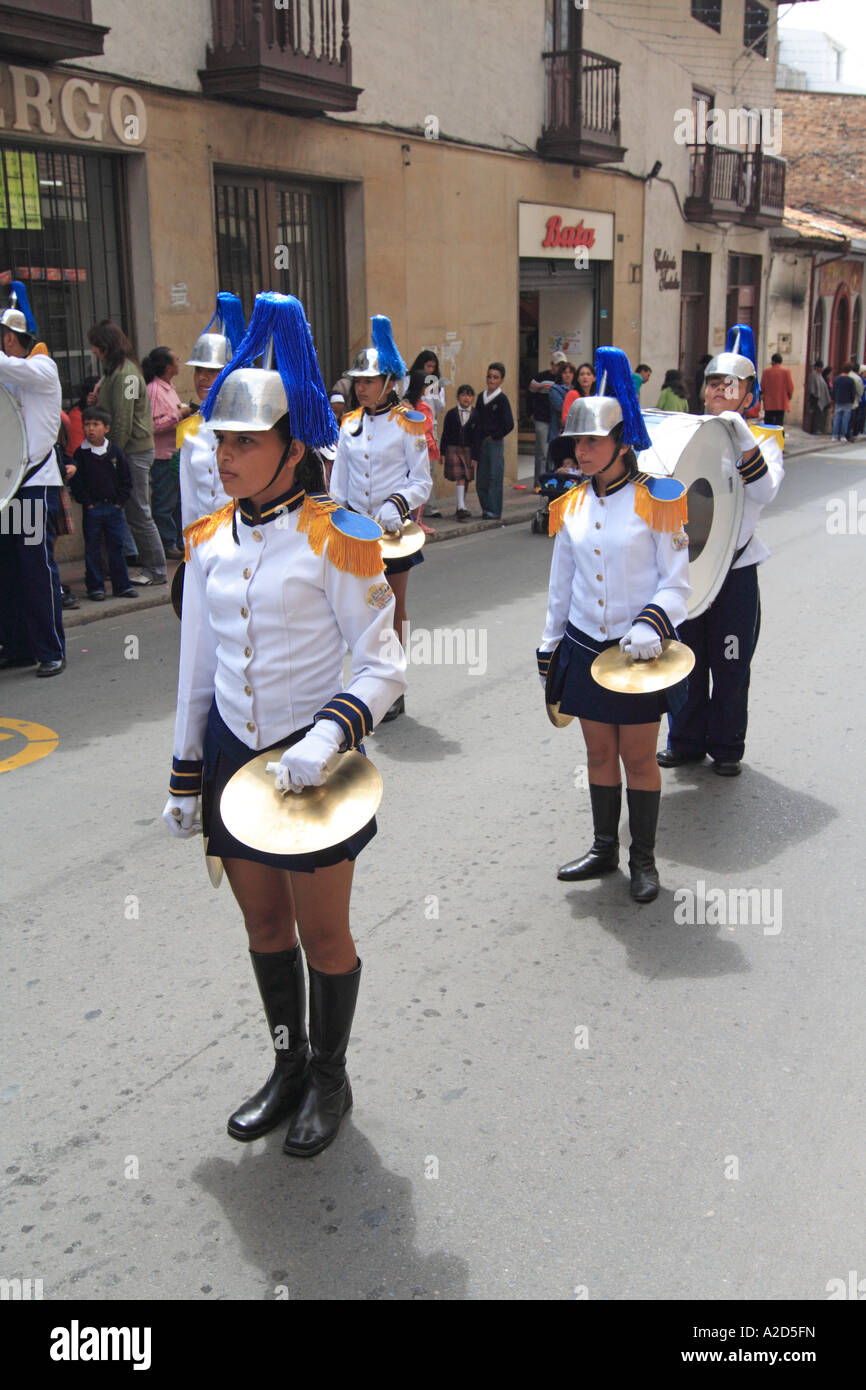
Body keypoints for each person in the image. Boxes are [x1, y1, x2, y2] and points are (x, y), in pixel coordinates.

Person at [163, 292, 407, 1159]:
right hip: (233, 754)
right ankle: (287, 1065)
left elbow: (384, 664)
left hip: (317, 757)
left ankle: (331, 1081)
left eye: (246, 441)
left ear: (292, 447)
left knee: (323, 932)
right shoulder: (206, 541)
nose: (225, 455)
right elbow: (196, 666)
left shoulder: (337, 537)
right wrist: (186, 772)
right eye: (220, 439)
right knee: (262, 928)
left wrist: (329, 734)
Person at [537, 347, 690, 903]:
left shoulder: (659, 500)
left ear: (622, 442)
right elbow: (561, 581)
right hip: (583, 645)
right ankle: (603, 849)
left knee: (639, 757)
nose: (581, 451)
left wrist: (652, 623)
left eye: (592, 441)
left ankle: (642, 859)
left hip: (639, 654)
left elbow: (678, 584)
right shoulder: (571, 504)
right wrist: (550, 645)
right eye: (576, 441)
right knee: (598, 754)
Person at [659, 324, 784, 776]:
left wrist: (741, 433)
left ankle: (727, 746)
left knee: (731, 663)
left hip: (735, 571)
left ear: (747, 394)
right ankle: (685, 740)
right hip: (690, 566)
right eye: (713, 383)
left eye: (730, 385)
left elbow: (765, 490)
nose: (719, 391)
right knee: (685, 660)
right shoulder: (688, 431)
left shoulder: (766, 439)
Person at [329, 314, 432, 722]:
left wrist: (398, 504)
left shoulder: (408, 423)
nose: (361, 387)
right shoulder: (349, 424)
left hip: (393, 532)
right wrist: (335, 518)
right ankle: (364, 681)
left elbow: (421, 481)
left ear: (389, 382)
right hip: (356, 532)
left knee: (391, 606)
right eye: (357, 381)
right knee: (356, 609)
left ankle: (394, 683)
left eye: (368, 381)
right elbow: (338, 483)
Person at [0, 281, 66, 676]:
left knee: (35, 567)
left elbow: (10, 368)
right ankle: (18, 645)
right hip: (9, 489)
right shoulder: (13, 373)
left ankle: (50, 648)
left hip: (34, 481)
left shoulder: (42, 368)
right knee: (8, 567)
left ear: (13, 337)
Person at [87, 320, 166, 587]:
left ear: (106, 346)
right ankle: (148, 566)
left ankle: (156, 568)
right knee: (133, 511)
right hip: (128, 450)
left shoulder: (127, 374)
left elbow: (123, 416)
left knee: (139, 511)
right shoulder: (118, 372)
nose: (94, 353)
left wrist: (112, 453)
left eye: (96, 347)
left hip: (132, 452)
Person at [177, 293, 246, 530]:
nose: (203, 378)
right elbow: (189, 498)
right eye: (198, 370)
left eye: (212, 371)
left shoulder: (248, 426)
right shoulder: (189, 431)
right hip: (204, 541)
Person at [69, 406, 136, 600]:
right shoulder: (80, 454)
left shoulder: (115, 452)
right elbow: (78, 483)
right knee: (92, 548)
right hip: (93, 509)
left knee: (116, 546)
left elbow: (126, 479)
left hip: (114, 508)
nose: (91, 429)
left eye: (96, 425)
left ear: (106, 428)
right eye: (87, 424)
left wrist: (119, 501)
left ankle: (122, 585)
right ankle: (95, 587)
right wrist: (87, 503)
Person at [144, 346, 193, 559]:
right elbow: (153, 425)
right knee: (164, 501)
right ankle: (166, 542)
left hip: (175, 452)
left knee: (176, 501)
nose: (179, 362)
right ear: (166, 367)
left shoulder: (169, 387)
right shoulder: (154, 390)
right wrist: (178, 415)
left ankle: (177, 540)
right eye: (175, 359)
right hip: (162, 455)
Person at [474, 362, 514, 519]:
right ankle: (485, 507)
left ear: (501, 380)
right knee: (482, 476)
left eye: (495, 377)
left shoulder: (502, 400)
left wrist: (495, 435)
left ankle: (494, 510)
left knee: (494, 475)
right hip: (481, 441)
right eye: (489, 376)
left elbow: (509, 424)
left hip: (494, 442)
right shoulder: (480, 397)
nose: (491, 380)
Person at [402, 368, 440, 534]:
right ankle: (417, 522)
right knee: (421, 485)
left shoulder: (408, 404)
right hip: (421, 448)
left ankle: (416, 520)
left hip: (423, 448)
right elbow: (424, 426)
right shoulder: (416, 406)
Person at [439, 384, 479, 521]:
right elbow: (445, 434)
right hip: (453, 448)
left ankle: (460, 505)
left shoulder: (476, 414)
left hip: (468, 449)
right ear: (458, 398)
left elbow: (477, 437)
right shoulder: (451, 414)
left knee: (466, 477)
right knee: (461, 477)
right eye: (463, 395)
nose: (466, 398)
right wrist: (442, 452)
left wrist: (475, 455)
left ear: (472, 398)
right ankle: (461, 506)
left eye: (469, 395)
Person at [528, 351, 566, 484]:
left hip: (557, 422)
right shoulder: (540, 378)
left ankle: (552, 480)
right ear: (552, 365)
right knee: (542, 452)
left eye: (563, 365)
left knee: (554, 452)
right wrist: (530, 413)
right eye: (558, 365)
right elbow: (530, 395)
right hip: (542, 419)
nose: (560, 368)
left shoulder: (564, 381)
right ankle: (539, 482)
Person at [760, 353, 794, 427]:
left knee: (768, 424)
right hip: (781, 402)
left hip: (769, 403)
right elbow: (790, 387)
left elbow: (762, 386)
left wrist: (762, 397)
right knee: (779, 424)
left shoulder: (766, 372)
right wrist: (788, 398)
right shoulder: (786, 372)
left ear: (773, 361)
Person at [831, 364, 856, 443]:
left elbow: (833, 391)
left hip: (838, 401)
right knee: (845, 420)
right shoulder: (850, 380)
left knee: (837, 418)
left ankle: (834, 436)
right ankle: (842, 435)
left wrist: (834, 399)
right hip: (847, 402)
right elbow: (853, 392)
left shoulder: (837, 379)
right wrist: (852, 401)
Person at [808, 360, 831, 434]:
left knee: (819, 415)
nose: (821, 369)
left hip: (821, 398)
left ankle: (819, 429)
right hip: (816, 398)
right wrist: (816, 395)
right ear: (816, 367)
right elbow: (813, 387)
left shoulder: (820, 375)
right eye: (819, 367)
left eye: (821, 367)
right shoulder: (813, 375)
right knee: (816, 415)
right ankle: (815, 429)